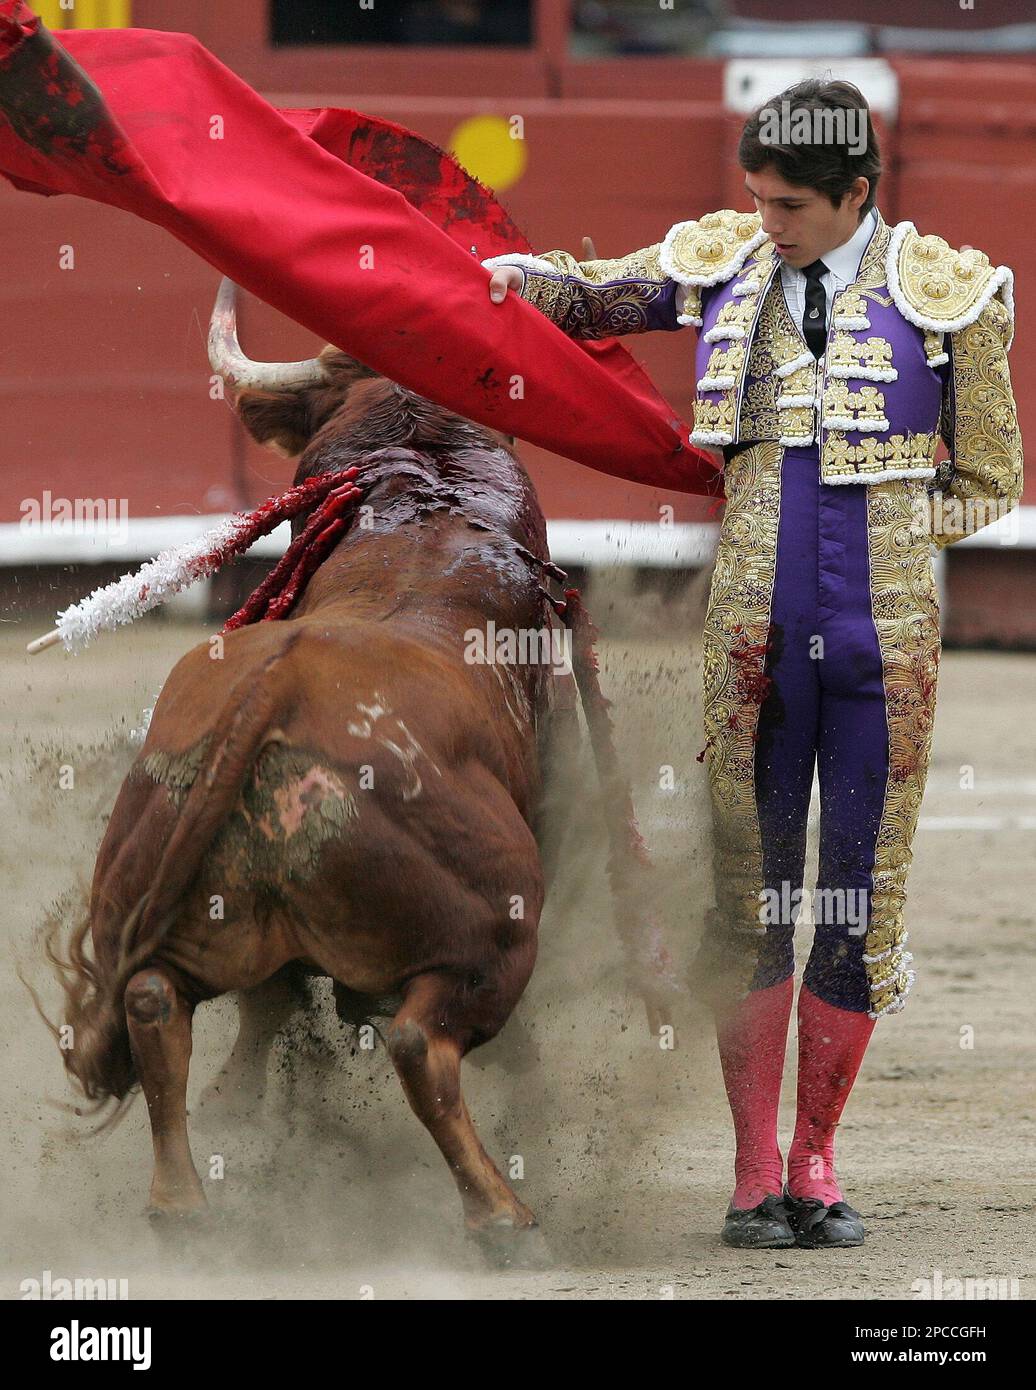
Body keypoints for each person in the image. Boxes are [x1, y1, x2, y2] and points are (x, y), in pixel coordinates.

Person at [483, 78, 1022, 1249]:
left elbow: (989, 479)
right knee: (750, 898)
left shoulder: (952, 295)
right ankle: (748, 1171)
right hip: (749, 646)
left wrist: (890, 529)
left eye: (785, 204)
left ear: (853, 196)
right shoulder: (726, 263)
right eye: (757, 199)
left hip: (885, 656)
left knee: (853, 903)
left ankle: (818, 1163)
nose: (764, 221)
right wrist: (489, 283)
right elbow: (586, 299)